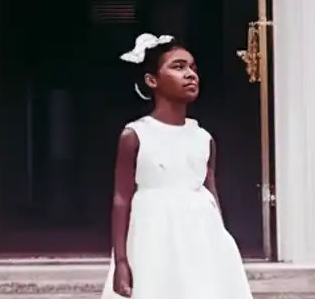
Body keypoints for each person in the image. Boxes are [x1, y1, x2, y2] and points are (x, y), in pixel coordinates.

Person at [102, 33, 253, 299]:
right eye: (178, 67)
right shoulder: (135, 135)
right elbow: (121, 198)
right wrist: (122, 262)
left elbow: (211, 193)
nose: (190, 74)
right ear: (152, 80)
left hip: (200, 236)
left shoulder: (203, 138)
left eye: (193, 68)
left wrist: (220, 243)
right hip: (154, 234)